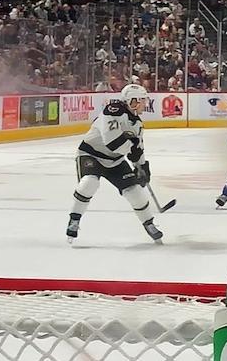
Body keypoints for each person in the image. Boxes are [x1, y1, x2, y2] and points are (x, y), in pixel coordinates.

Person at [68, 84, 163, 243]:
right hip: (90, 154)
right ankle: (74, 220)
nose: (145, 104)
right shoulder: (113, 111)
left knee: (135, 192)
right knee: (89, 183)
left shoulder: (137, 124)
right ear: (133, 101)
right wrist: (131, 148)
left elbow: (137, 148)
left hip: (114, 160)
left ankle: (149, 224)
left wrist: (142, 166)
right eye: (142, 100)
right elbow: (112, 142)